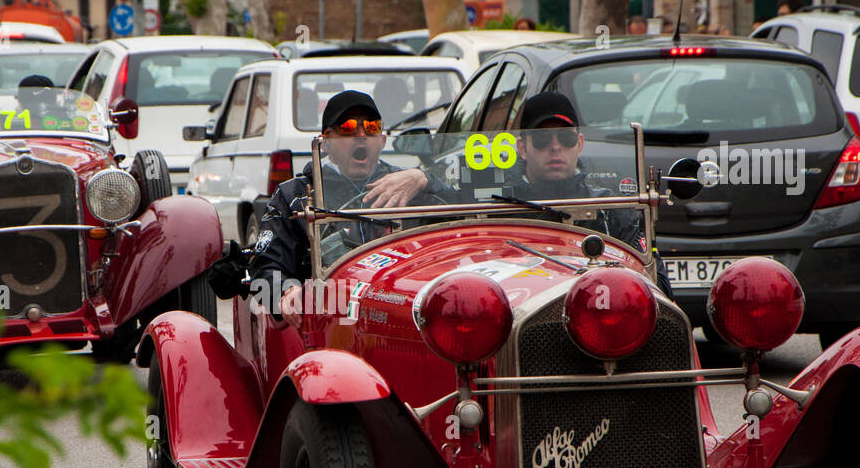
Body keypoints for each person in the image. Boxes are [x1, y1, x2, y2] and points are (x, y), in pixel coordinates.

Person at [249, 90, 452, 325]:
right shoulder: (293, 195)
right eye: (347, 128)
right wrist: (287, 290)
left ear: (383, 141)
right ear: (325, 143)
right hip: (328, 315)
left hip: (403, 306)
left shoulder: (410, 184)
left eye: (371, 128)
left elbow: (464, 225)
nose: (361, 135)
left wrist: (424, 179)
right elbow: (266, 265)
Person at [502, 91, 673, 296]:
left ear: (580, 144)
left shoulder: (613, 212)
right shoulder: (499, 212)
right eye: (542, 139)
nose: (555, 147)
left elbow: (658, 287)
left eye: (566, 138)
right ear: (522, 147)